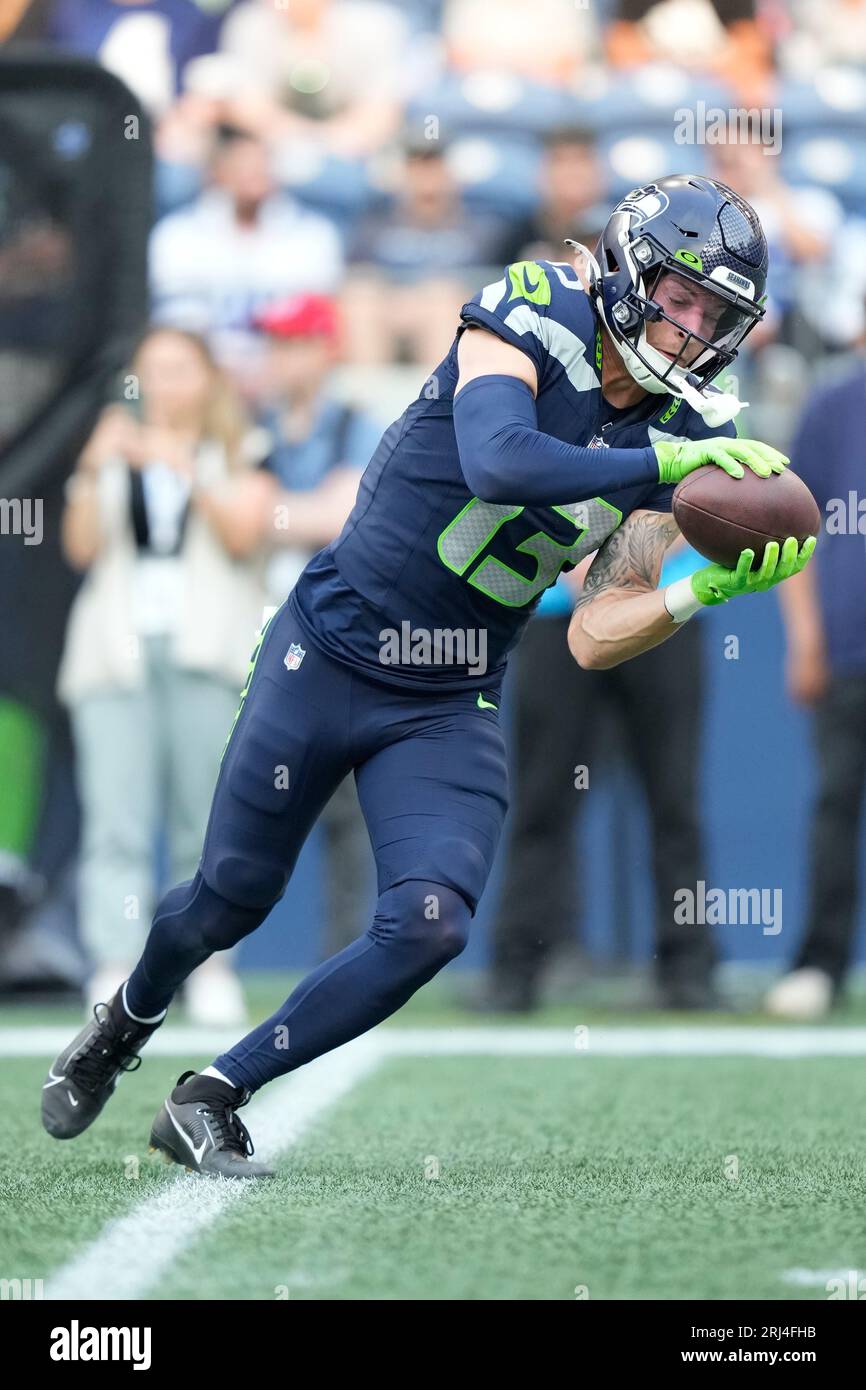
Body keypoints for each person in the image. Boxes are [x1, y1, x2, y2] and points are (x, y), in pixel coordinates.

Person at [42, 175, 814, 1177]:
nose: (693, 328)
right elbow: (498, 459)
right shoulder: (537, 307)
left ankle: (213, 1094)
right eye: (680, 297)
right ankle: (123, 1023)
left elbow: (590, 630)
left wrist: (689, 590)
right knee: (231, 892)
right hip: (327, 646)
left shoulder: (690, 437)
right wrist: (656, 464)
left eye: (716, 314)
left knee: (430, 923)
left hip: (449, 693)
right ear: (628, 270)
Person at [56, 326, 271, 1024]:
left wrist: (187, 466)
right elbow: (81, 548)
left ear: (206, 378)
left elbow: (245, 535)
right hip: (115, 650)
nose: (164, 384)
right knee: (115, 821)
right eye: (151, 371)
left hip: (204, 650)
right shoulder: (114, 452)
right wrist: (92, 468)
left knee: (203, 823)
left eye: (180, 369)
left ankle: (203, 966)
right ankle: (116, 963)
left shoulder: (241, 449)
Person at [767, 359, 866, 1019]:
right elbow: (792, 527)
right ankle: (819, 965)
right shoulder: (836, 402)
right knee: (835, 806)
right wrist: (805, 640)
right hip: (850, 651)